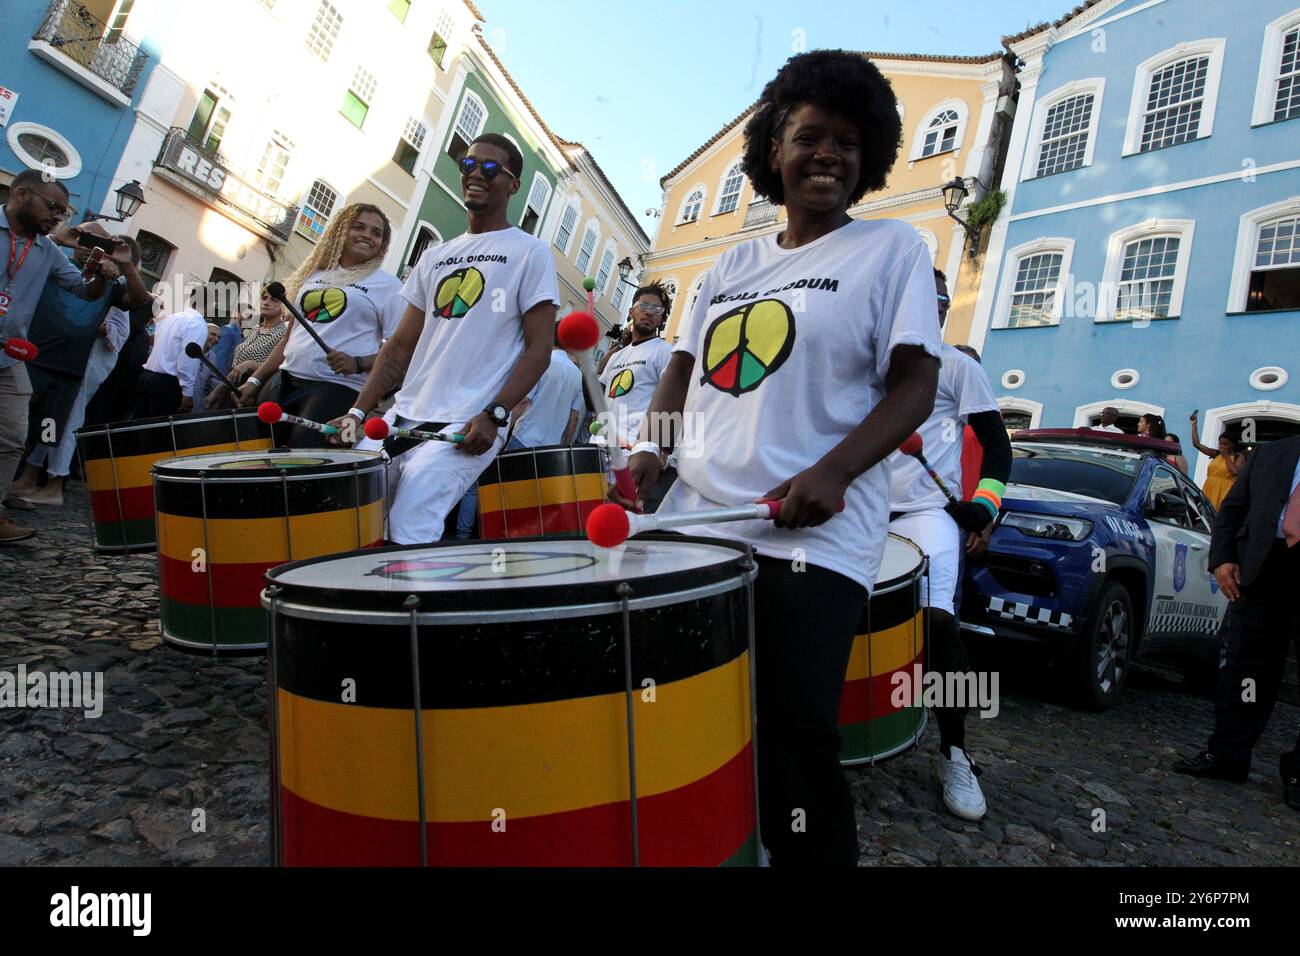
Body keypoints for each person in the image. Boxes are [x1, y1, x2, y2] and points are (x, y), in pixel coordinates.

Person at [628, 51, 941, 866]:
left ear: (868, 155)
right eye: (809, 137)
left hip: (813, 532)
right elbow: (682, 375)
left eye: (847, 141)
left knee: (796, 732)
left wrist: (833, 472)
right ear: (774, 148)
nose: (828, 155)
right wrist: (653, 460)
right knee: (693, 719)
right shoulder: (728, 265)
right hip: (702, 520)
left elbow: (914, 385)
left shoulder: (891, 250)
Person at [330, 133, 558, 545]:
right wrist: (358, 412)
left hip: (466, 423)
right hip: (401, 417)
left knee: (409, 528)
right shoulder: (435, 255)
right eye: (467, 165)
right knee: (355, 521)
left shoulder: (531, 252)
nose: (474, 174)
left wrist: (496, 415)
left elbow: (539, 349)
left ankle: (413, 606)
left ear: (513, 185)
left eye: (490, 168)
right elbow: (399, 346)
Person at [886, 267, 1011, 823]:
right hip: (853, 512)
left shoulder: (957, 366)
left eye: (932, 301)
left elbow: (998, 447)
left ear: (941, 309)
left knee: (937, 625)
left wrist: (983, 506)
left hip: (924, 513)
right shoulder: (863, 360)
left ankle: (955, 751)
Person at [1174, 434, 1300, 812]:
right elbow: (1233, 509)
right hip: (1263, 568)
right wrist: (1223, 557)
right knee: (1246, 669)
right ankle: (1229, 754)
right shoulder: (1273, 453)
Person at [1, 170, 119, 543]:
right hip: (33, 357)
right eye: (52, 207)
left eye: (63, 212)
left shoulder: (46, 250)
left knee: (16, 437)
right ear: (21, 194)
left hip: (14, 358)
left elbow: (85, 291)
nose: (57, 217)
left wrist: (103, 275)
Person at [236, 204, 403, 447]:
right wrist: (255, 380)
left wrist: (357, 363)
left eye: (376, 233)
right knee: (253, 455)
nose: (367, 235)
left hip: (339, 389)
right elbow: (289, 338)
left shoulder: (389, 286)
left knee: (306, 464)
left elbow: (401, 353)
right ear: (340, 231)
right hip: (283, 380)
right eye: (359, 227)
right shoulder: (314, 276)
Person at [10, 232, 147, 504]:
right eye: (85, 240)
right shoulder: (57, 264)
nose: (88, 248)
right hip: (35, 362)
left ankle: (42, 482)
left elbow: (138, 303)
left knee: (49, 429)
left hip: (71, 373)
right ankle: (25, 478)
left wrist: (126, 265)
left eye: (98, 244)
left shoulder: (110, 283)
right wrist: (57, 239)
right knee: (15, 429)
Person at [11, 301, 130, 506]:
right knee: (50, 418)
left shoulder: (120, 295)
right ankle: (31, 472)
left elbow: (118, 336)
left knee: (68, 420)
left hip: (88, 364)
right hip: (69, 360)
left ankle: (55, 482)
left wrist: (86, 322)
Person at [598, 282, 677, 512]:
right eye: (644, 306)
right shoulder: (616, 356)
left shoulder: (664, 352)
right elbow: (598, 390)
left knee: (627, 527)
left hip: (633, 456)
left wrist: (662, 451)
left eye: (657, 310)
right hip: (602, 452)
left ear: (661, 319)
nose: (649, 313)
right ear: (631, 311)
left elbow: (673, 397)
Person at [130, 302, 214, 418]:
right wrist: (188, 393)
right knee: (162, 432)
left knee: (140, 427)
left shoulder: (171, 317)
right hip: (166, 385)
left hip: (148, 377)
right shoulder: (197, 323)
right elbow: (188, 357)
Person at [1189, 411, 1244, 509]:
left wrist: (1226, 456)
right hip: (1209, 489)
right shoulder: (1216, 454)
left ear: (1233, 444)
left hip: (1224, 492)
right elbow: (1196, 444)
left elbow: (1235, 472)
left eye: (1226, 444)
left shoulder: (1238, 457)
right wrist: (1194, 425)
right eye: (1221, 443)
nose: (1222, 446)